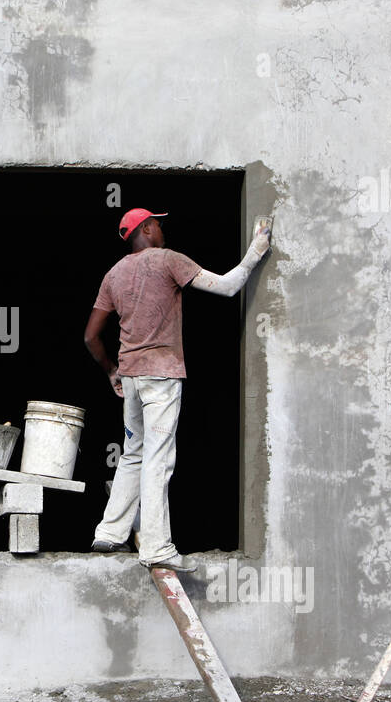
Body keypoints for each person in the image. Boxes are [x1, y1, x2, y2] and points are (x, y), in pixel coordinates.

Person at [83, 207, 271, 572]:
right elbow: (229, 286)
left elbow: (90, 336)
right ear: (148, 228)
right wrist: (256, 250)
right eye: (159, 224)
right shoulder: (169, 260)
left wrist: (111, 372)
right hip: (162, 376)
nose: (163, 230)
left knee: (133, 453)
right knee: (158, 458)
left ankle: (108, 533)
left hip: (133, 377)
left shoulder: (114, 274)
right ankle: (156, 547)